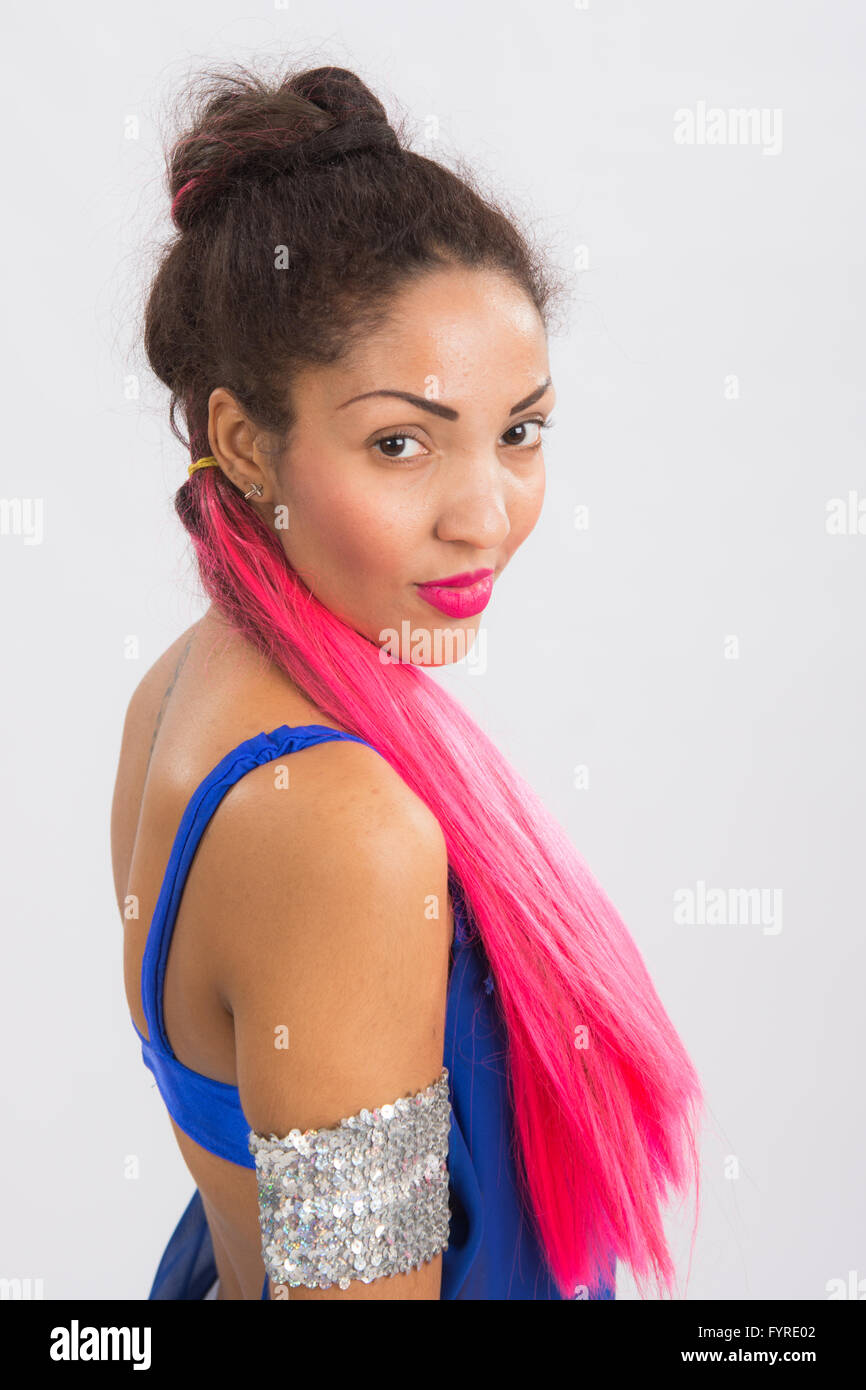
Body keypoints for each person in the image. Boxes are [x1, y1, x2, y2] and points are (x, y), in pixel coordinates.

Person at [110, 62, 703, 1301]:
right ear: (241, 441)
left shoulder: (186, 681)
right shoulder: (339, 828)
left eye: (519, 432)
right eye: (399, 444)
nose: (483, 516)